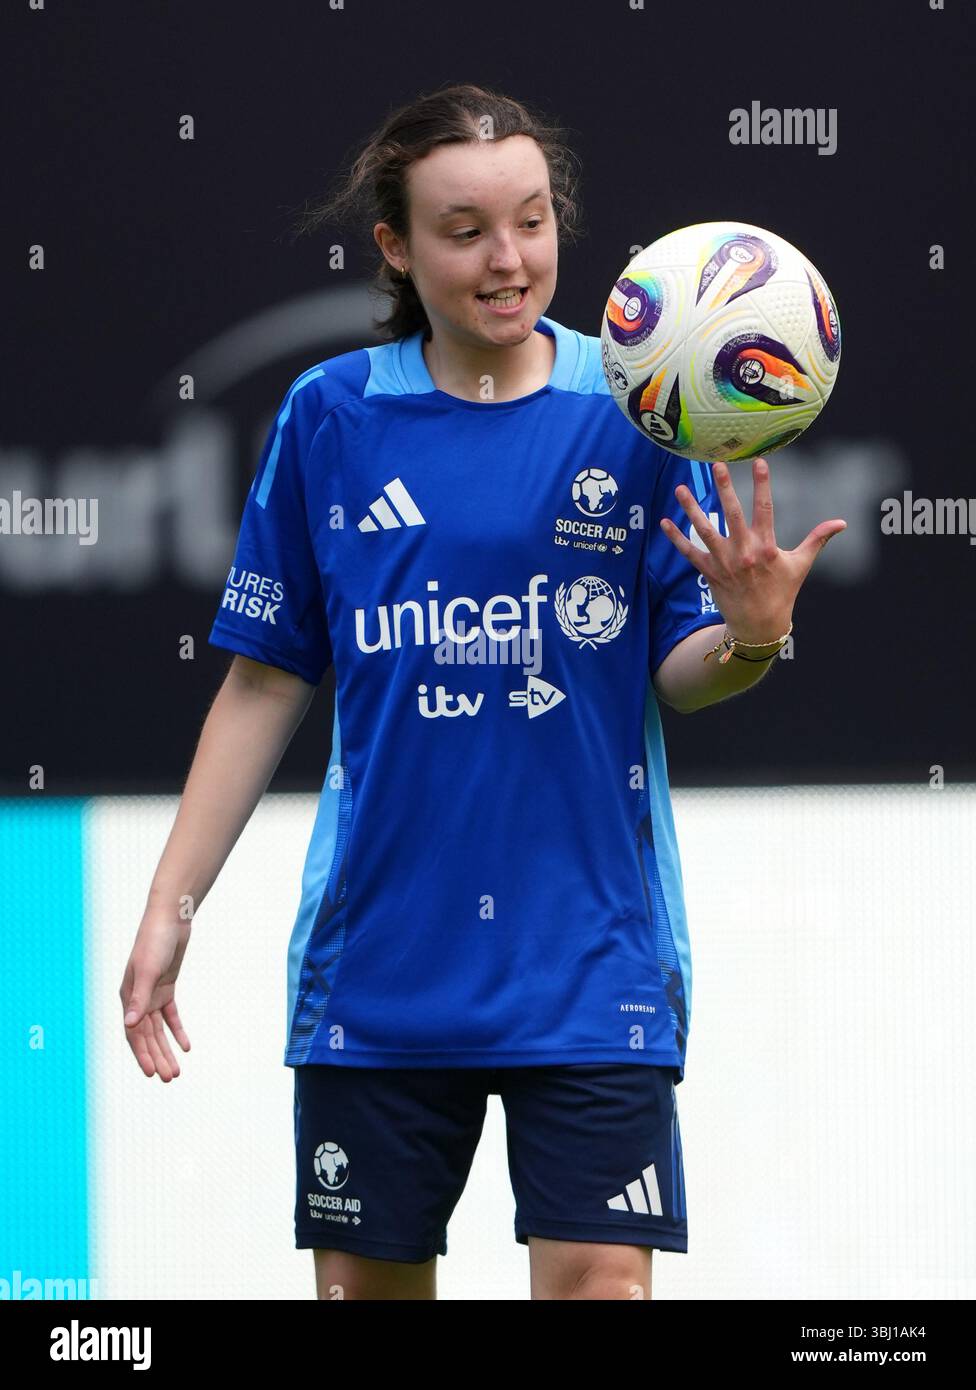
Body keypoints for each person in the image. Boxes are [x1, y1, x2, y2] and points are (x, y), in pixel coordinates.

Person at [119, 83, 845, 1301]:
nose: (509, 261)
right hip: (381, 977)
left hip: (592, 966)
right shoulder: (328, 421)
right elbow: (259, 685)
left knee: (599, 1288)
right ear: (397, 247)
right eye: (463, 231)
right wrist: (169, 909)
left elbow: (681, 671)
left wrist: (754, 635)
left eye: (533, 219)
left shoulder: (637, 410)